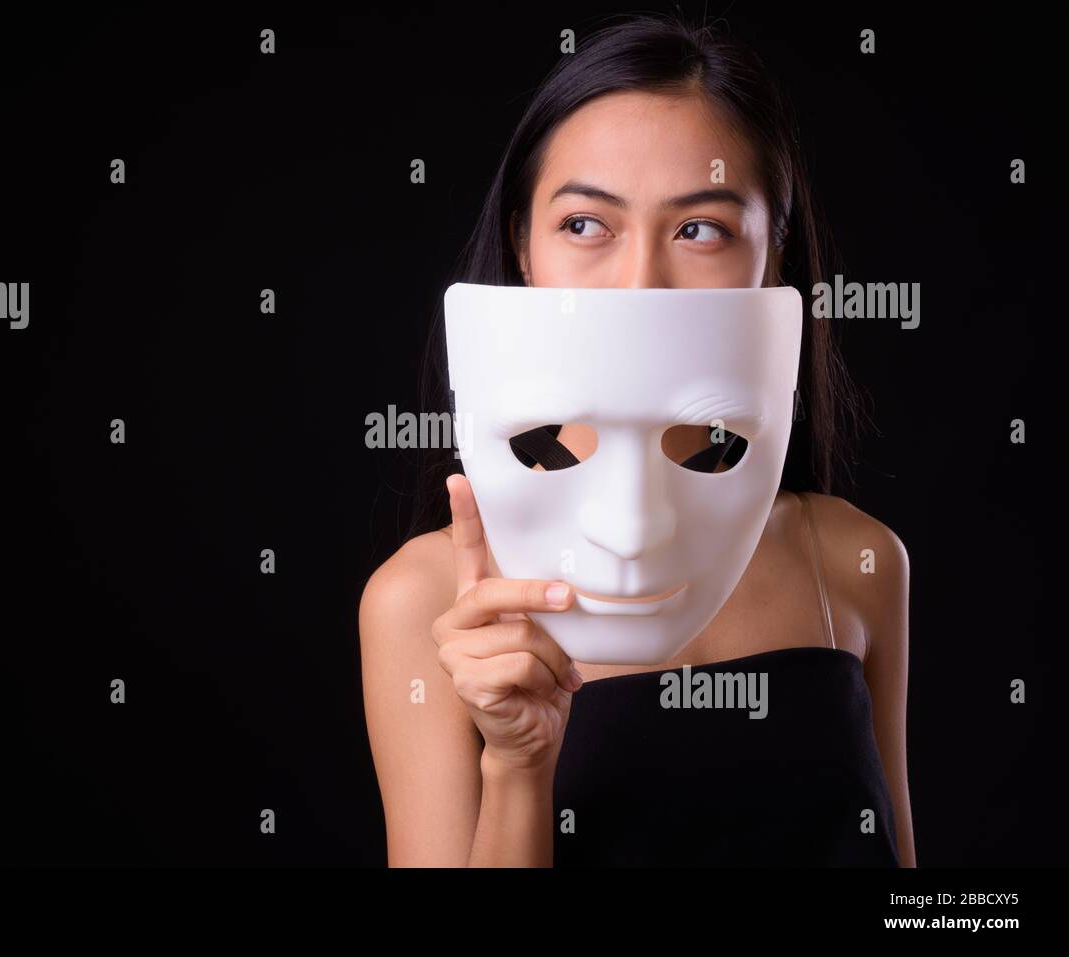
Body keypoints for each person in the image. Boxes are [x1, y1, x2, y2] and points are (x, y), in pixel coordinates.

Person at [359, 13, 915, 867]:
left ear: (772, 260)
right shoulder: (424, 603)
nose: (640, 283)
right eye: (586, 224)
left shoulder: (853, 561)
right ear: (524, 245)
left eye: (700, 228)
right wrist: (517, 763)